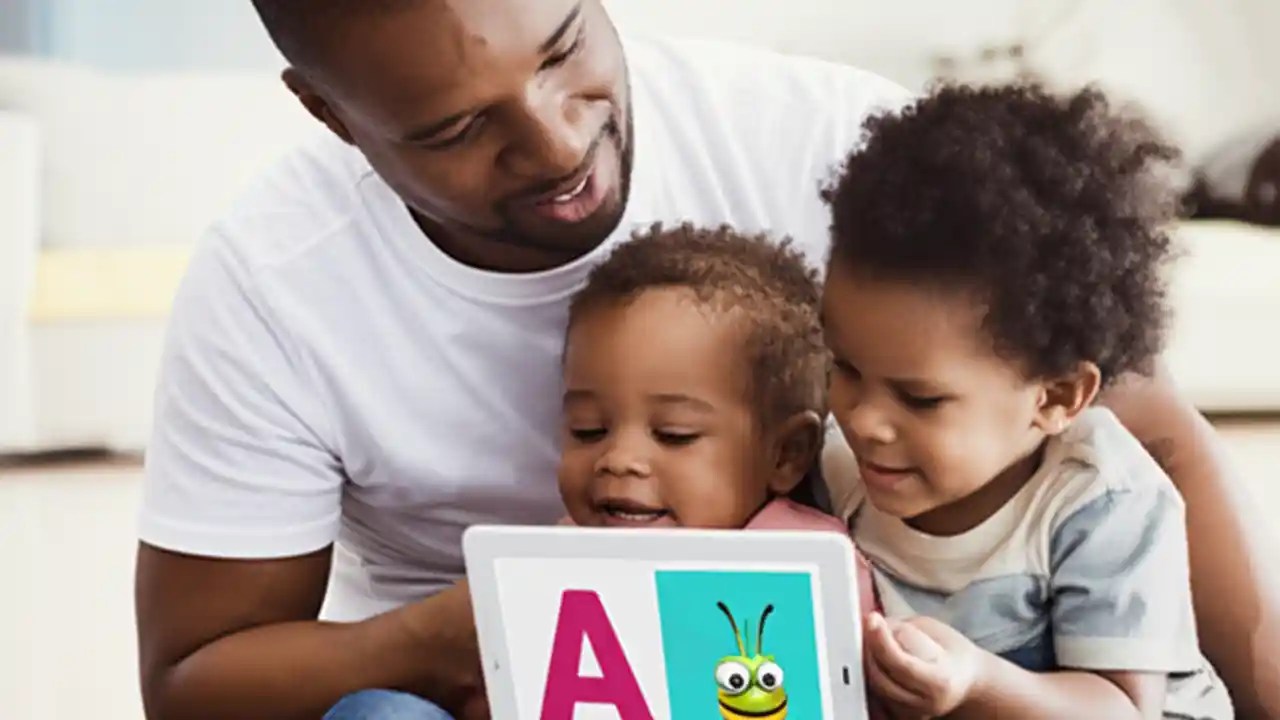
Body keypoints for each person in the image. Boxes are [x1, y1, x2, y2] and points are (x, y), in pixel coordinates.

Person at [132, 1, 1277, 718]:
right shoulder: (271, 286)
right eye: (455, 130)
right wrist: (450, 636)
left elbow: (1148, 439)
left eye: (566, 47)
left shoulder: (839, 154)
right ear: (329, 114)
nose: (554, 138)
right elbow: (195, 676)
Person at [818, 82, 1233, 718]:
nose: (865, 421)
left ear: (1057, 397)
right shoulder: (837, 468)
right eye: (844, 367)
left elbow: (1121, 707)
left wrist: (976, 682)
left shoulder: (1101, 501)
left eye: (920, 399)